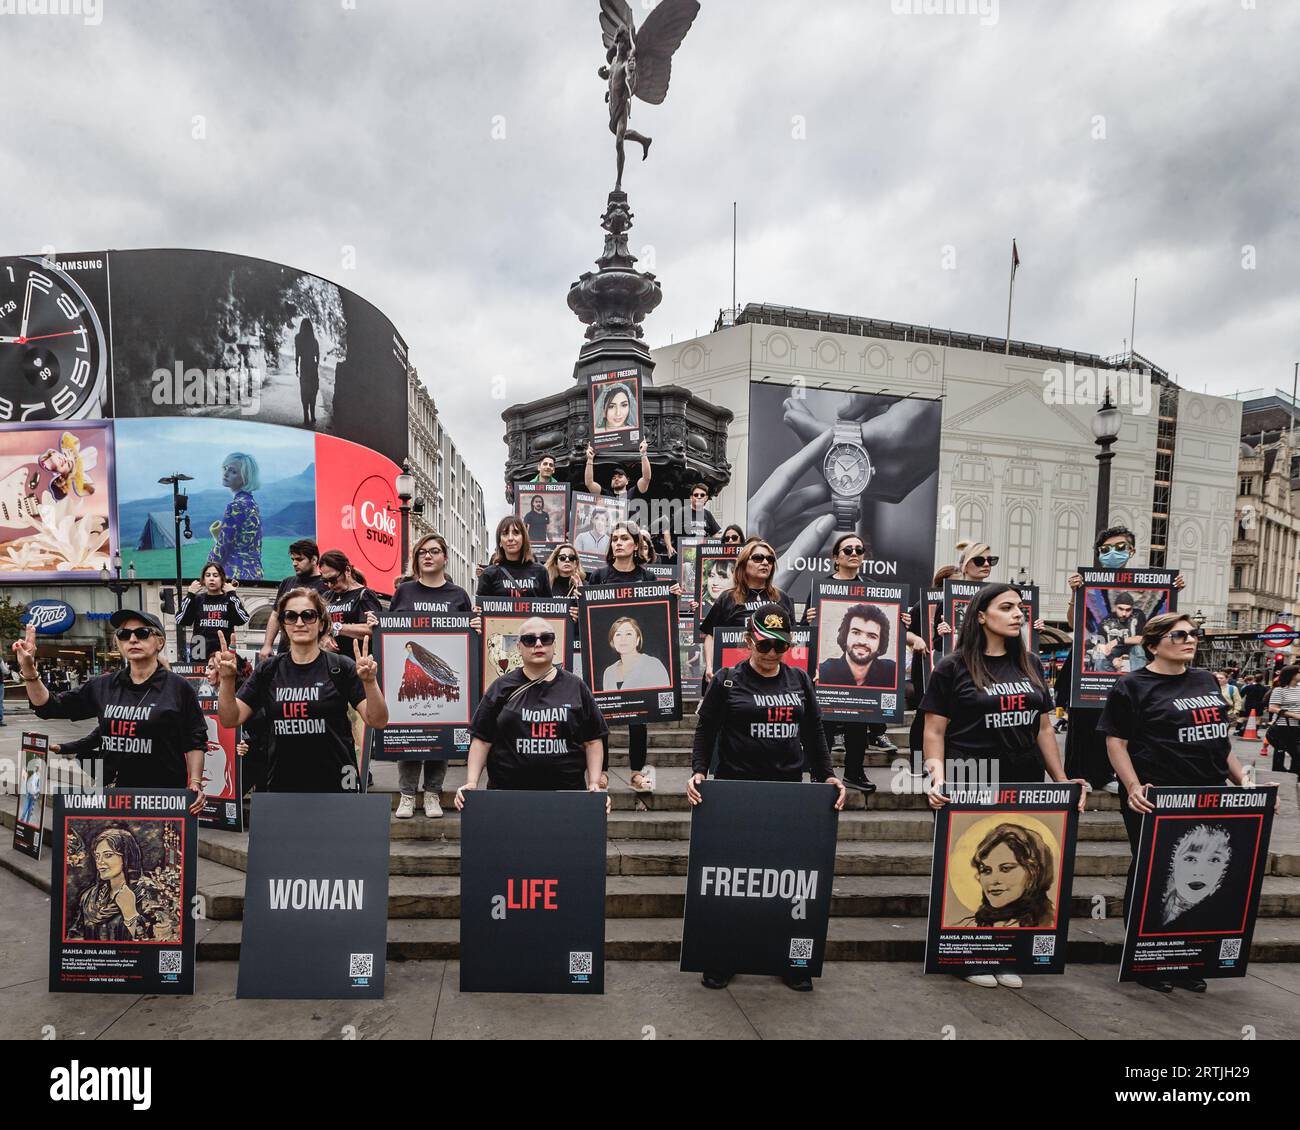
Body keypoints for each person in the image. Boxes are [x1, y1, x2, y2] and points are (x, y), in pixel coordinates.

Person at [1098, 611, 1275, 993]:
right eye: (1179, 635)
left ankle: (1184, 957)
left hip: (1210, 792)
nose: (1190, 639)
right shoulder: (1133, 685)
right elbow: (1117, 742)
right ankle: (1146, 956)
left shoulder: (1205, 679)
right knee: (1153, 872)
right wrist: (1132, 786)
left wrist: (1245, 783)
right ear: (1153, 644)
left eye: (1194, 633)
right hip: (1157, 793)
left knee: (1204, 876)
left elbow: (1219, 742)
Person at [922, 583, 1085, 990]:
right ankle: (968, 955)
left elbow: (1043, 728)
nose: (1017, 614)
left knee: (1018, 868)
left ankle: (1004, 951)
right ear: (981, 615)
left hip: (1023, 777)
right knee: (976, 867)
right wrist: (936, 776)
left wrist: (1061, 781)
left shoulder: (1029, 662)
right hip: (971, 778)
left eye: (1020, 608)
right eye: (1006, 607)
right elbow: (934, 730)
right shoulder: (953, 666)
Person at [686, 604, 846, 993]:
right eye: (765, 645)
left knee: (787, 881)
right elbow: (706, 731)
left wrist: (827, 774)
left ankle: (787, 958)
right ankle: (722, 956)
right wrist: (698, 770)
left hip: (788, 792)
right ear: (748, 640)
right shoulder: (726, 681)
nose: (772, 653)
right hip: (736, 791)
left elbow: (814, 731)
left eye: (780, 646)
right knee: (730, 879)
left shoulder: (799, 680)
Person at [14, 612, 207, 813]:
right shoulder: (103, 685)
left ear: (159, 642)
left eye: (142, 633)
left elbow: (195, 738)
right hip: (112, 796)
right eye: (124, 634)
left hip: (162, 797)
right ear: (119, 643)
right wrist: (29, 671)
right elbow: (48, 707)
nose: (132, 639)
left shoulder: (178, 687)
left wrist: (195, 781)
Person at [217, 589, 388, 792]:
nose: (299, 623)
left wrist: (370, 682)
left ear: (322, 623)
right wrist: (227, 680)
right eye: (291, 616)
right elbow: (230, 719)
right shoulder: (269, 669)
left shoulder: (341, 667)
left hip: (336, 784)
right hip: (281, 786)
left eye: (308, 615)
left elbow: (378, 720)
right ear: (283, 624)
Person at [1065, 525, 1186, 792]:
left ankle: (1114, 775)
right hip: (1093, 674)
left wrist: (1174, 588)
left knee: (1124, 723)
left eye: (1120, 548)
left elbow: (1148, 634)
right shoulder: (1089, 586)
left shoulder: (1143, 599)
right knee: (1087, 720)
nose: (1112, 554)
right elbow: (1076, 624)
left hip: (1129, 672)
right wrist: (1075, 593)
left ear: (1131, 551)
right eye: (1105, 549)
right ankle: (1081, 775)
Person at [455, 616, 608, 806]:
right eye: (529, 640)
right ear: (519, 647)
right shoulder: (501, 687)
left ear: (554, 644)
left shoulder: (576, 687)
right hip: (506, 795)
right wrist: (471, 782)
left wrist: (594, 783)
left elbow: (593, 740)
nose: (538, 644)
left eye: (546, 638)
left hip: (567, 796)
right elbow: (482, 740)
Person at [587, 520, 687, 793]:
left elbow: (660, 614)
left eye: (624, 539)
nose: (618, 543)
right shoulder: (598, 577)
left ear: (635, 545)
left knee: (639, 718)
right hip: (607, 658)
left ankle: (635, 773)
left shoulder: (647, 578)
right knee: (601, 717)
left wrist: (672, 597)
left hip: (637, 660)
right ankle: (602, 772)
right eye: (614, 538)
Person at [389, 534, 475, 820]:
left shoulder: (458, 595)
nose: (428, 556)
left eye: (434, 551)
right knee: (409, 735)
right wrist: (378, 624)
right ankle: (407, 794)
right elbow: (390, 633)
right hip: (411, 673)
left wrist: (476, 625)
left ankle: (433, 793)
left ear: (445, 557)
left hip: (443, 674)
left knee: (441, 735)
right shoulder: (404, 592)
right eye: (422, 552)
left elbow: (469, 638)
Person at [700, 539, 795, 684]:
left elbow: (793, 637)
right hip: (735, 675)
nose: (765, 562)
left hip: (772, 674)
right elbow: (711, 636)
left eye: (770, 559)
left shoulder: (783, 598)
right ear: (744, 564)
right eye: (758, 558)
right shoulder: (728, 598)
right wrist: (710, 665)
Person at [954, 823, 1058, 929]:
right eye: (986, 870)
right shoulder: (967, 927)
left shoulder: (1052, 924)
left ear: (1033, 873)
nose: (994, 880)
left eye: (1006, 869)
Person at [261, 539, 328, 658]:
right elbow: (276, 615)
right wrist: (267, 645)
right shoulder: (287, 582)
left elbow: (328, 620)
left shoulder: (326, 584)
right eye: (293, 559)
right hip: (286, 651)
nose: (294, 563)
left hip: (314, 653)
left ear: (314, 560)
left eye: (299, 559)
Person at [175, 562, 250, 662]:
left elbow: (243, 618)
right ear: (203, 580)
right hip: (199, 653)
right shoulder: (197, 599)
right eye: (207, 575)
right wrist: (190, 595)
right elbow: (180, 619)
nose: (211, 579)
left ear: (222, 579)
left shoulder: (229, 599)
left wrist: (232, 594)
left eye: (215, 575)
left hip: (223, 653)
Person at [209, 451, 263, 581]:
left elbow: (222, 547)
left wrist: (207, 570)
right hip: (255, 572)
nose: (226, 474)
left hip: (234, 572)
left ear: (246, 478)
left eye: (233, 471)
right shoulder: (253, 505)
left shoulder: (236, 506)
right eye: (225, 468)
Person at [476, 516, 552, 597]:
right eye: (505, 534)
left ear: (524, 538)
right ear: (500, 542)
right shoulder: (489, 574)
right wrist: (477, 609)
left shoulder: (540, 572)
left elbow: (549, 607)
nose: (510, 538)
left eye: (516, 533)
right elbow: (482, 605)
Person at [584, 439, 651, 526]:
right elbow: (589, 483)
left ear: (627, 481)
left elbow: (646, 478)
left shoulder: (634, 492)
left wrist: (643, 454)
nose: (616, 479)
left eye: (620, 476)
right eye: (613, 478)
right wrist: (589, 459)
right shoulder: (607, 495)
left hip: (632, 535)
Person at [601, 616, 671, 691]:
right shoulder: (608, 672)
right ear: (613, 642)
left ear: (637, 639)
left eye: (628, 634)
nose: (623, 639)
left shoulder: (653, 665)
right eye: (618, 634)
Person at [1266, 665, 1300, 774]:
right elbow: (1272, 708)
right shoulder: (1279, 690)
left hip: (1297, 727)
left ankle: (1294, 775)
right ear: (1292, 675)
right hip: (1283, 726)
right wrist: (1294, 715)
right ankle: (1280, 774)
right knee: (1291, 752)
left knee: (1296, 754)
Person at [295, 317, 320, 427]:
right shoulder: (314, 341)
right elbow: (317, 355)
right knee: (313, 391)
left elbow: (297, 354)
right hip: (312, 368)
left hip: (304, 367)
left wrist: (296, 367)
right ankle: (313, 415)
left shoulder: (298, 338)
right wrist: (316, 365)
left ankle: (306, 415)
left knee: (304, 391)